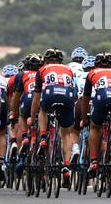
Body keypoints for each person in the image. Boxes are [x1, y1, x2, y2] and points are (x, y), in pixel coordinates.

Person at [31, 48, 81, 180]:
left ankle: (42, 137)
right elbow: (75, 92)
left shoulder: (42, 70)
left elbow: (36, 98)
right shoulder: (68, 69)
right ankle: (66, 166)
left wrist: (32, 116)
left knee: (43, 110)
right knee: (66, 133)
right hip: (67, 96)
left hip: (50, 95)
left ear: (45, 61)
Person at [79, 53, 111, 178]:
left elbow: (86, 98)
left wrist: (84, 119)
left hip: (103, 97)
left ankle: (94, 161)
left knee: (95, 127)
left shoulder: (92, 73)